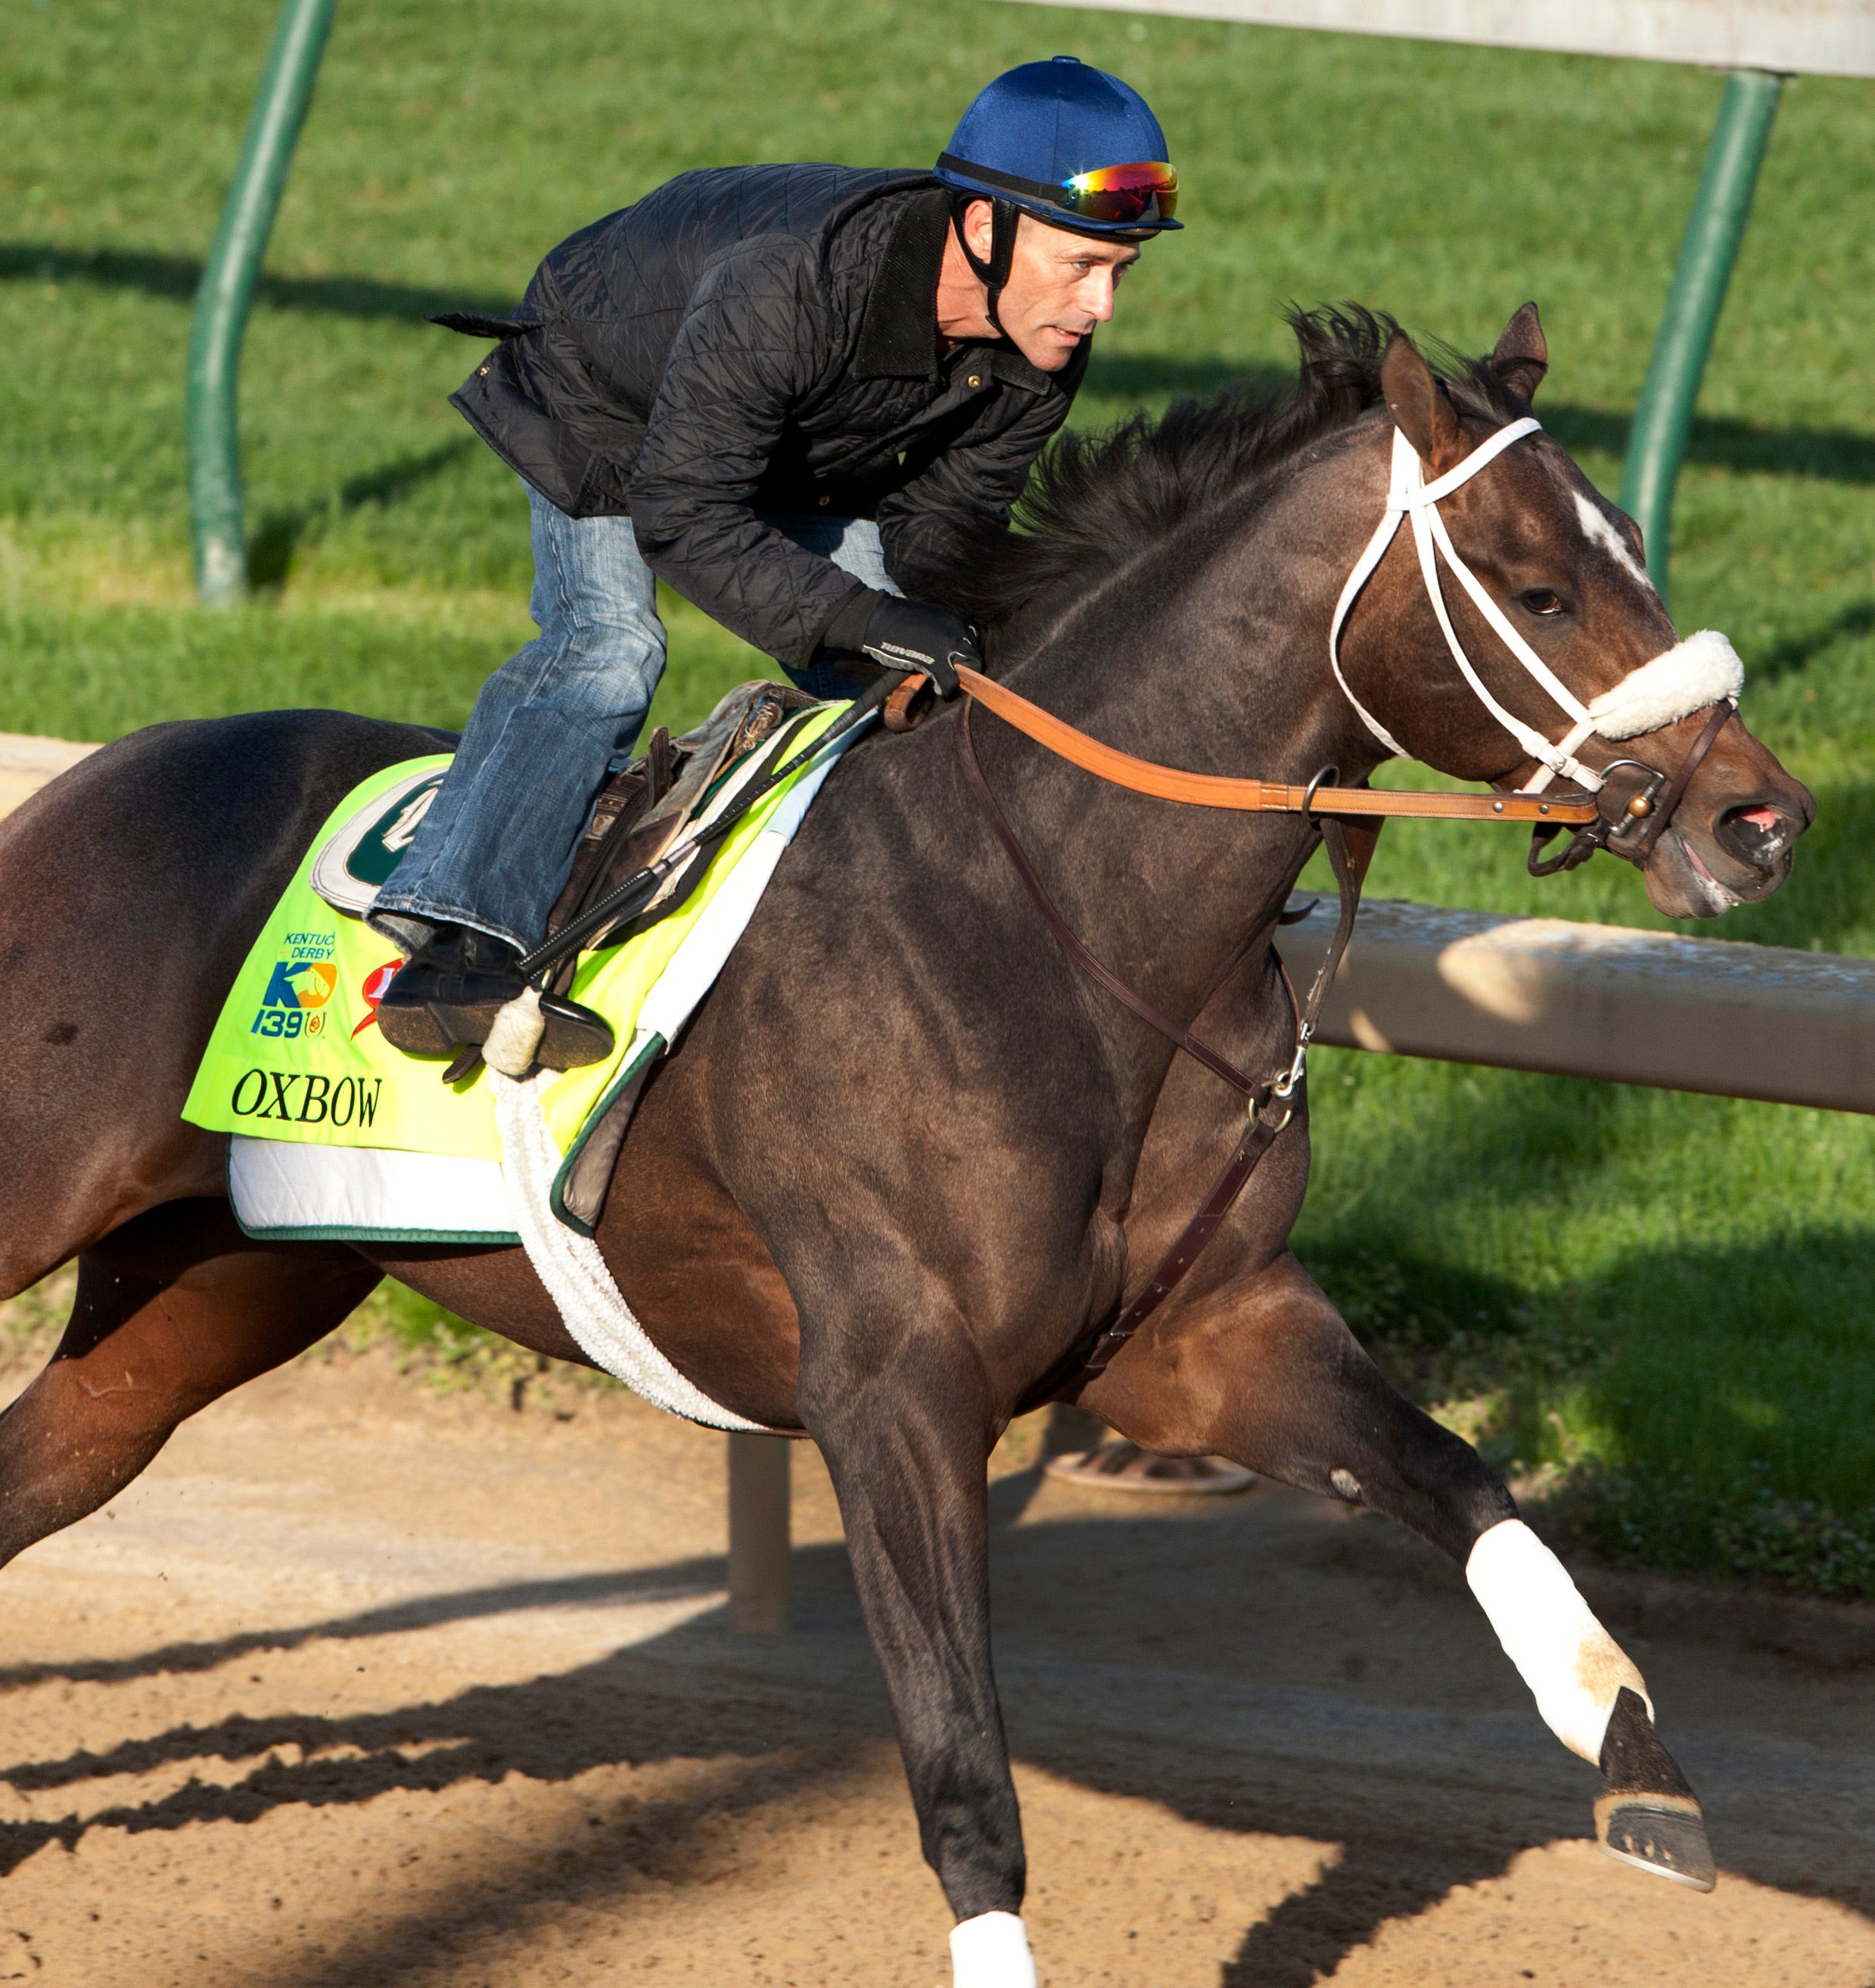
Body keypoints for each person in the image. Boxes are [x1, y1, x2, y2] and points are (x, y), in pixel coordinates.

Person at [373, 55, 1182, 1067]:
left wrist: (986, 615)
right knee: (609, 648)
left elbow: (939, 530)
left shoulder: (1033, 343)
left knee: (933, 664)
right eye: (1081, 266)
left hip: (775, 436)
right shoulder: (787, 286)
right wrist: (867, 620)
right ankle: (454, 946)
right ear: (985, 229)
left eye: (1120, 272)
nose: (1101, 308)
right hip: (603, 410)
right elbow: (681, 513)